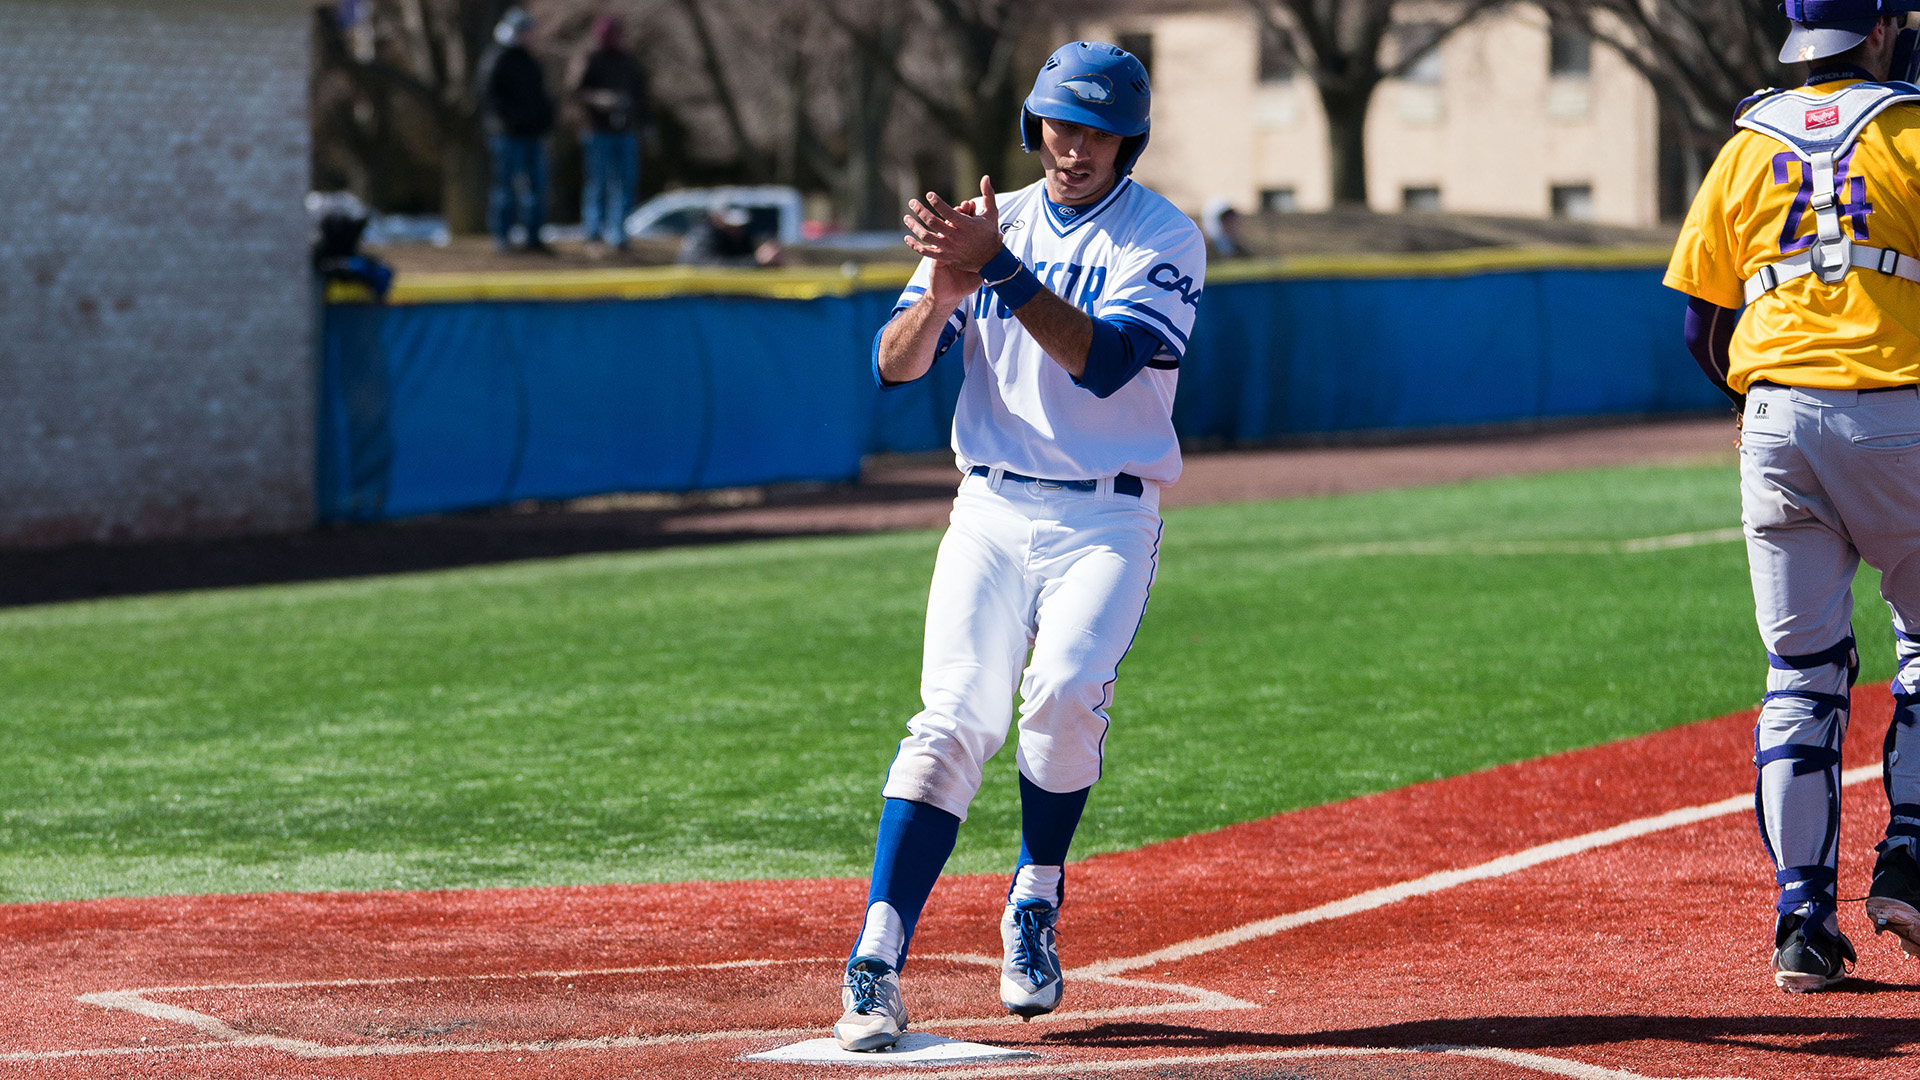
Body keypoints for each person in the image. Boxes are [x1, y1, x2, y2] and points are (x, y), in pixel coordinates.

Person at [832, 41, 1204, 1051]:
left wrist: (993, 264)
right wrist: (949, 288)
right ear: (1034, 127)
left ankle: (1034, 895)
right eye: (1055, 125)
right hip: (990, 508)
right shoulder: (988, 228)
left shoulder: (1162, 236)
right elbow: (892, 366)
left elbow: (1107, 361)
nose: (1071, 147)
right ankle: (875, 962)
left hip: (1106, 515)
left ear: (1128, 140)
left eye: (1093, 131)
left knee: (1063, 695)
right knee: (949, 719)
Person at [1664, 0, 1920, 993]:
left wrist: (1773, 399)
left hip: (1775, 422)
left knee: (1801, 675)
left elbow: (1699, 325)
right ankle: (1907, 864)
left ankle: (1801, 923)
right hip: (1898, 411)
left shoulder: (1743, 143)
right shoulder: (1907, 126)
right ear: (1881, 32)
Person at [479, 8, 555, 253]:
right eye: (526, 32)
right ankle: (502, 237)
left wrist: (545, 120)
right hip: (507, 135)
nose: (530, 36)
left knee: (536, 189)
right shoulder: (497, 58)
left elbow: (541, 98)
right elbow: (488, 97)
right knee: (506, 189)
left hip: (532, 134)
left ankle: (533, 238)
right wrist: (508, 121)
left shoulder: (531, 61)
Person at [571, 15, 648, 251]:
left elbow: (640, 94)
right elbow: (575, 91)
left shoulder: (628, 60)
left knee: (625, 183)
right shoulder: (591, 58)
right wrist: (599, 99)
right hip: (598, 131)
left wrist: (645, 122)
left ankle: (618, 233)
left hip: (625, 130)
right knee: (598, 183)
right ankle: (593, 233)